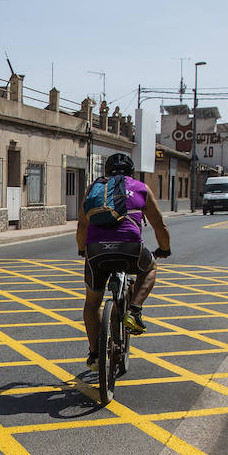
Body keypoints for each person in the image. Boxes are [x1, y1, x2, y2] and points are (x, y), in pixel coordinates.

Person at [76, 152, 171, 368]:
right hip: (130, 248)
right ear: (131, 172)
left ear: (107, 172)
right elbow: (159, 225)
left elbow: (82, 226)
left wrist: (83, 250)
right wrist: (164, 248)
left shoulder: (94, 189)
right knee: (150, 267)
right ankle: (134, 311)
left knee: (92, 303)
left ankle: (95, 355)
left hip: (96, 251)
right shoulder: (140, 188)